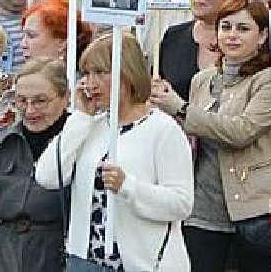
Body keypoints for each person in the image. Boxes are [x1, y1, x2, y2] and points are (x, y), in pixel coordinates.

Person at [35, 33, 193, 272]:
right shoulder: (91, 126)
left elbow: (181, 204)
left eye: (100, 72)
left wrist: (128, 186)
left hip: (142, 263)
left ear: (127, 73)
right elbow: (47, 176)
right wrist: (80, 118)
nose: (90, 83)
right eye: (86, 74)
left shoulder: (163, 130)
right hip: (84, 261)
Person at [181, 0, 271, 272]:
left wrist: (182, 110)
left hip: (253, 209)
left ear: (263, 35)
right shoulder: (201, 80)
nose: (232, 35)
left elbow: (242, 131)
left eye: (243, 28)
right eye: (225, 27)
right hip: (204, 207)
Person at [0, 57, 70, 272]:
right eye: (21, 101)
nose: (30, 111)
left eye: (40, 101)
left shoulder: (76, 141)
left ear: (65, 97)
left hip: (55, 257)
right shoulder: (1, 141)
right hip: (6, 258)